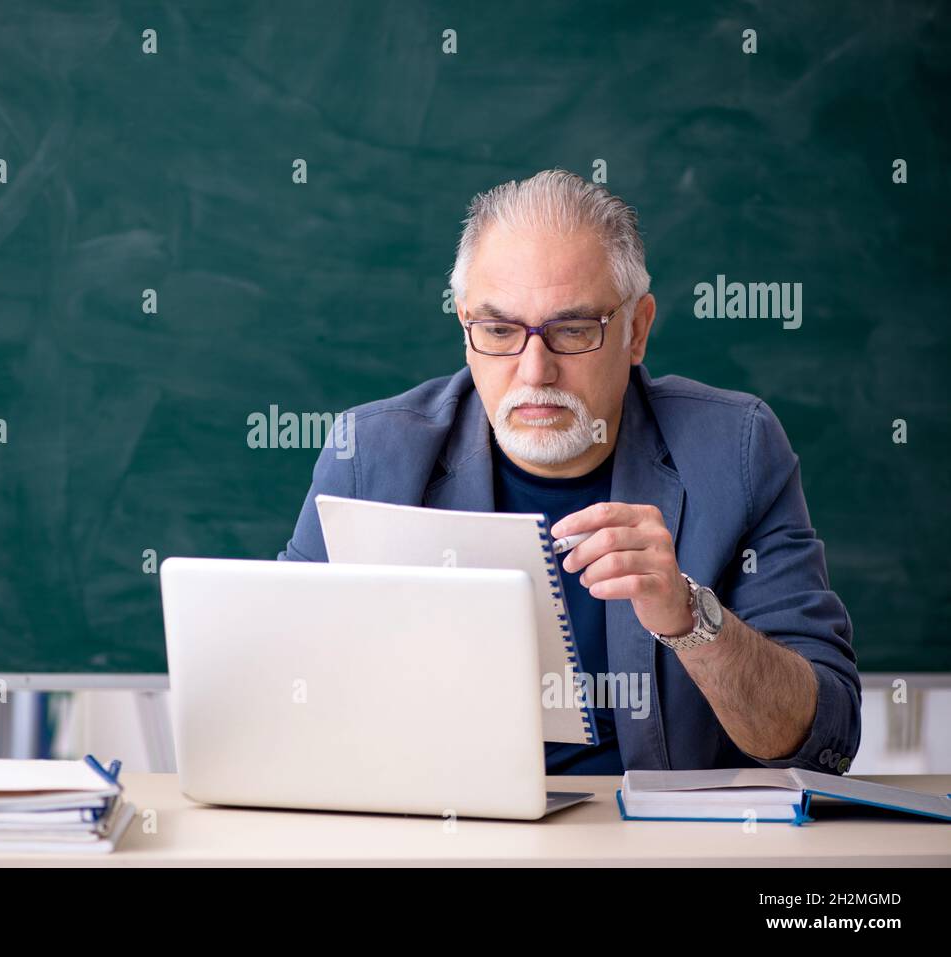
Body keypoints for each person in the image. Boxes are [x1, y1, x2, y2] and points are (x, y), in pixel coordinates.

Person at [278, 169, 861, 775]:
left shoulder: (735, 448)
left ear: (636, 330)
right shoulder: (368, 452)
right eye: (500, 331)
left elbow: (824, 739)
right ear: (465, 329)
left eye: (573, 330)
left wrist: (691, 618)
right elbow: (277, 686)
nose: (535, 371)